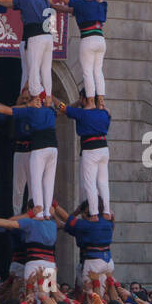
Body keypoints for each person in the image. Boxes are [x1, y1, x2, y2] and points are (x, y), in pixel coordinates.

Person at [0, 92, 58, 216]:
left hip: (34, 150)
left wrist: (51, 96)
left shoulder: (39, 111)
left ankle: (34, 212)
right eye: (24, 99)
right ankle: (17, 214)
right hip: (20, 151)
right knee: (18, 188)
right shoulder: (24, 110)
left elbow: (62, 109)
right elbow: (9, 109)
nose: (25, 101)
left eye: (28, 98)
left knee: (35, 186)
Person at [57, 90, 110, 218]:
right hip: (103, 148)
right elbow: (109, 115)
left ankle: (94, 213)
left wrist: (50, 96)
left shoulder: (82, 113)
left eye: (80, 98)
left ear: (85, 99)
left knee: (90, 183)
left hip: (90, 149)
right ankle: (107, 211)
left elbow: (62, 107)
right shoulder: (104, 113)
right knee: (103, 182)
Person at [53, 202, 114, 295]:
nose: (83, 215)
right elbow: (63, 224)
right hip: (107, 262)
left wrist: (54, 205)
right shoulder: (108, 222)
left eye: (85, 213)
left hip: (93, 262)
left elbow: (67, 218)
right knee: (102, 294)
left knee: (90, 294)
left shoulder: (87, 225)